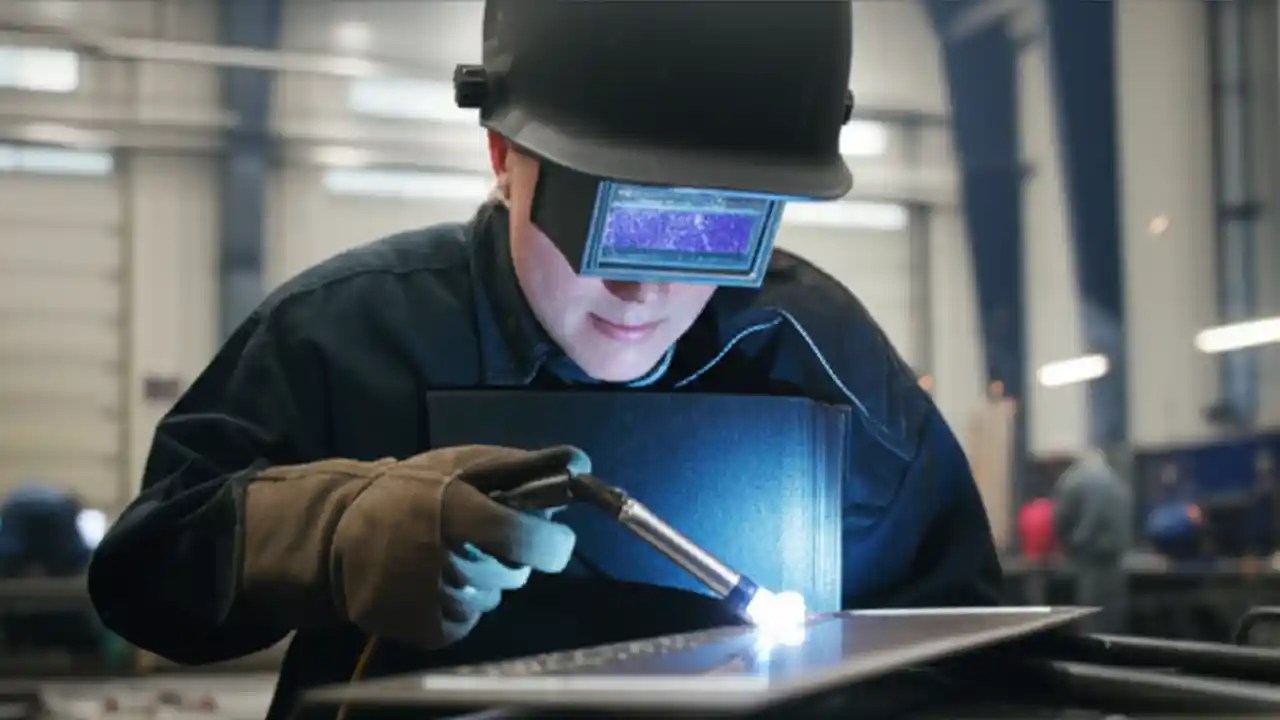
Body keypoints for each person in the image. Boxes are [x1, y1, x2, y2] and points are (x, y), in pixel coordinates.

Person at [87, 2, 1002, 718]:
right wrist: (331, 532)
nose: (646, 291)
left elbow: (962, 647)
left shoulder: (823, 356)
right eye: (616, 221)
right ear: (502, 156)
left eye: (706, 228)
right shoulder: (346, 334)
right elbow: (144, 579)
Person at [1053, 448, 1132, 633]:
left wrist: (1069, 544)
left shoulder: (1072, 480)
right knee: (1113, 612)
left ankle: (1091, 652)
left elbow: (1061, 518)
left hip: (1089, 556)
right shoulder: (1116, 480)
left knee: (1090, 612)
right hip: (1116, 557)